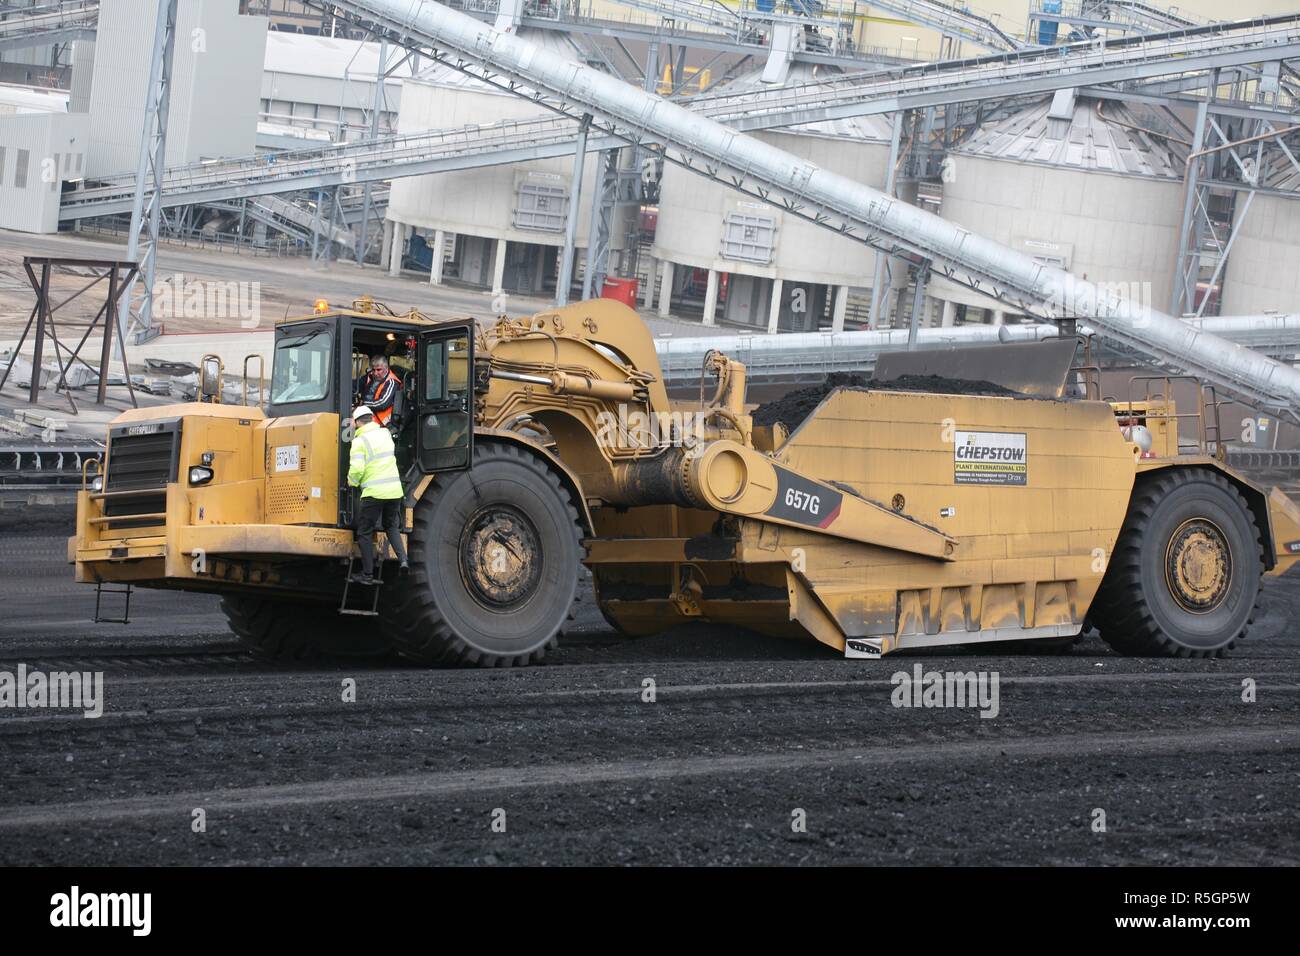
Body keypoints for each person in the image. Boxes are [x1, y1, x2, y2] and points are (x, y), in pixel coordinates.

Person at [347, 406, 408, 585]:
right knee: (391, 527)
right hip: (394, 491)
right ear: (372, 418)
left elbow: (357, 469)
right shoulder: (385, 434)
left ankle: (367, 575)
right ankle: (404, 560)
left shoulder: (359, 441)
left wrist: (351, 481)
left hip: (374, 493)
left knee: (365, 531)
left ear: (358, 422)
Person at [358, 354, 402, 429]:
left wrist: (363, 405)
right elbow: (356, 385)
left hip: (383, 425)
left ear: (386, 368)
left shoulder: (392, 382)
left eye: (379, 370)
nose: (375, 373)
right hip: (368, 421)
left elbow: (382, 403)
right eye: (373, 370)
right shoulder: (370, 377)